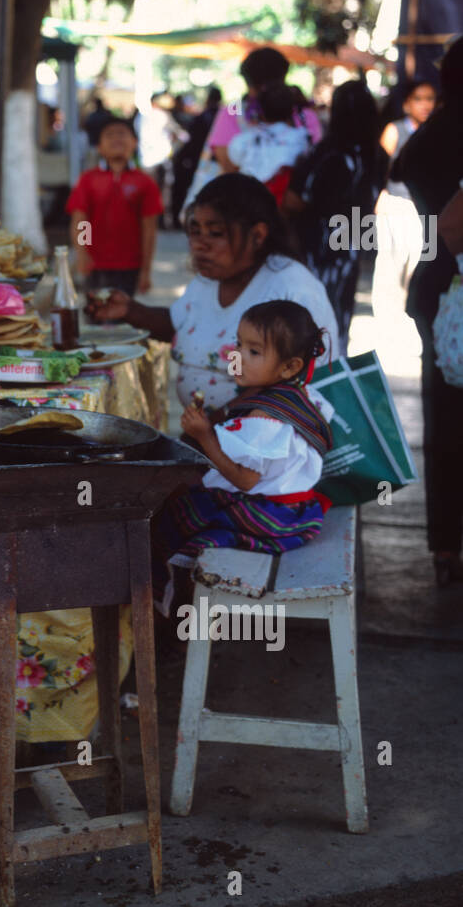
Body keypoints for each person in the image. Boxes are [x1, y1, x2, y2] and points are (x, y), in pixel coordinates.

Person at [89, 173, 339, 411]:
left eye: (216, 233)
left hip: (258, 444)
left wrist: (209, 433)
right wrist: (130, 310)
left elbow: (292, 385)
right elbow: (183, 325)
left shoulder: (291, 288)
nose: (200, 244)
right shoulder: (209, 280)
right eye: (195, 231)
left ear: (258, 235)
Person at [151, 300, 332, 604]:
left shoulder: (263, 419)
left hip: (269, 515)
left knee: (176, 512)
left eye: (254, 352)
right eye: (238, 344)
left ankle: (170, 602)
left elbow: (245, 481)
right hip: (297, 509)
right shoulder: (296, 395)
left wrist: (206, 436)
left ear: (290, 367)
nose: (237, 356)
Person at [395, 37, 463, 587]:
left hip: (437, 287)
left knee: (445, 422)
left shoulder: (434, 132)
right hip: (448, 292)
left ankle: (445, 546)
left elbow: (403, 166)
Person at [283, 79, 380, 347]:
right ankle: (333, 376)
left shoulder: (327, 154)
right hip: (349, 247)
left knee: (312, 320)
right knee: (337, 319)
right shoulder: (374, 155)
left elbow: (293, 200)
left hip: (317, 248)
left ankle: (313, 380)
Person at [67, 114, 163, 296]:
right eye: (110, 135)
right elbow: (81, 221)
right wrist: (82, 253)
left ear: (134, 142)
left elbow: (149, 229)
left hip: (130, 266)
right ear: (99, 146)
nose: (116, 139)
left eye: (122, 134)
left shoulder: (145, 182)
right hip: (95, 265)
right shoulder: (88, 180)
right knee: (95, 318)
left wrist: (146, 270)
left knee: (125, 319)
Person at [372, 79, 437, 329]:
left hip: (422, 208)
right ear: (408, 103)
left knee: (416, 260)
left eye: (430, 99)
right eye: (419, 99)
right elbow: (380, 170)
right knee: (391, 259)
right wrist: (380, 199)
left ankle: (405, 315)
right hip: (396, 203)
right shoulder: (395, 130)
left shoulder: (434, 132)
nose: (425, 105)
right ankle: (386, 317)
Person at [208, 47, 322, 173]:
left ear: (249, 83)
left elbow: (227, 165)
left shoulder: (233, 112)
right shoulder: (304, 115)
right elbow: (313, 160)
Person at [226, 81, 312, 205]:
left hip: (246, 202)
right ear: (291, 110)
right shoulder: (300, 139)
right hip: (279, 205)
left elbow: (234, 159)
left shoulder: (244, 139)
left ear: (260, 110)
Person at [171, 85, 222, 226]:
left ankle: (180, 219)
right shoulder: (219, 115)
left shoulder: (207, 116)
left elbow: (192, 140)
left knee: (185, 189)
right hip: (211, 162)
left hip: (198, 160)